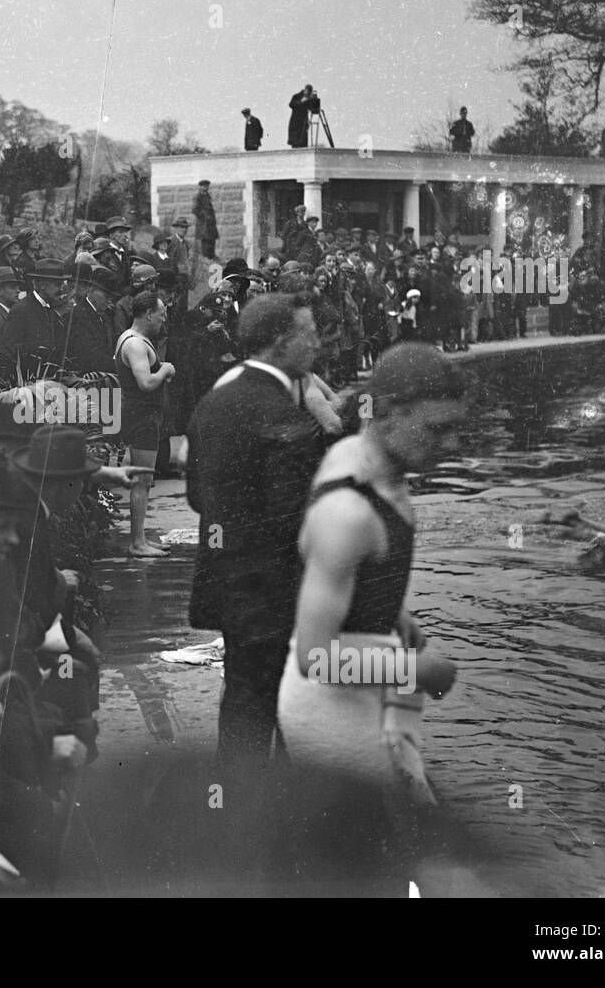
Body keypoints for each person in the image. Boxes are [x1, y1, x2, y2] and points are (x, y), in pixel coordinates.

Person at [275, 342, 466, 890]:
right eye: (436, 430)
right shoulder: (348, 511)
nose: (450, 446)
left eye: (457, 429)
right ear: (389, 412)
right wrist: (418, 671)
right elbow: (316, 658)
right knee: (377, 868)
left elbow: (345, 570)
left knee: (404, 853)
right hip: (332, 707)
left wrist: (389, 607)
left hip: (364, 684)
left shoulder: (364, 461)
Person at [186, 292, 324, 771]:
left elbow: (196, 497)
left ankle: (234, 814)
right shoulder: (284, 415)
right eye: (310, 335)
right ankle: (287, 821)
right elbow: (295, 519)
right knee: (292, 713)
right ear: (282, 342)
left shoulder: (215, 400)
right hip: (277, 588)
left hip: (228, 581)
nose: (318, 345)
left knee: (243, 701)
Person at [115, 290, 174, 558]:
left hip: (144, 415)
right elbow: (146, 383)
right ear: (148, 313)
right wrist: (165, 369)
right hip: (142, 417)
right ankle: (137, 543)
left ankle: (140, 537)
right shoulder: (136, 344)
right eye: (160, 314)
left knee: (144, 479)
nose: (163, 319)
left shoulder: (134, 340)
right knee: (142, 479)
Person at [4, 259, 71, 370]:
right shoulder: (22, 310)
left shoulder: (49, 307)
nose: (61, 290)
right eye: (57, 285)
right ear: (42, 285)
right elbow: (12, 349)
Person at [193, 181, 218, 259]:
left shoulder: (207, 196)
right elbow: (195, 210)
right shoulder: (198, 197)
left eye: (207, 186)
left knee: (212, 241)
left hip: (210, 224)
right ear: (200, 187)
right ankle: (207, 259)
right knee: (206, 243)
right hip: (204, 225)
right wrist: (205, 216)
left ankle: (212, 257)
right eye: (203, 186)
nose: (206, 188)